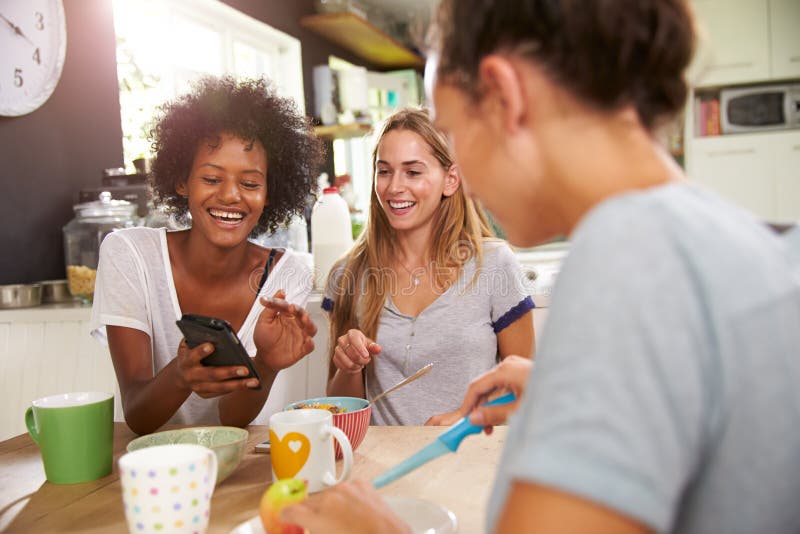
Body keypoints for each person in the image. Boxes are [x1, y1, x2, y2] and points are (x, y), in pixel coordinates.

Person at [283, 1, 800, 532]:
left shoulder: (628, 264)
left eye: (454, 130)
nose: (462, 174)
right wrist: (559, 396)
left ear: (505, 96)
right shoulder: (718, 238)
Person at [90, 76, 323, 435]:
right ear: (182, 181)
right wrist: (181, 376)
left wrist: (267, 364)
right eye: (212, 179)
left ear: (269, 193)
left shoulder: (286, 274)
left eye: (249, 183)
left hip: (235, 466)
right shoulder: (130, 254)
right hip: (151, 468)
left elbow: (231, 420)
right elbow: (138, 414)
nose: (231, 196)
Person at [324, 107, 534, 426]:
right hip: (382, 469)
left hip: (468, 463)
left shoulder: (494, 266)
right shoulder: (348, 275)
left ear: (450, 180)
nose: (394, 187)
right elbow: (339, 409)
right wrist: (348, 367)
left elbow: (527, 391)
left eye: (413, 172)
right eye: (384, 171)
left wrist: (466, 417)